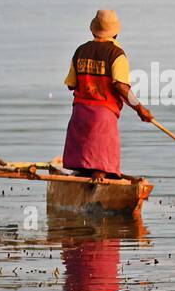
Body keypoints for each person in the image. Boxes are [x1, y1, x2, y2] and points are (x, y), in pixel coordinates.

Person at [62, 9, 153, 179]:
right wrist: (140, 109)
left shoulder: (80, 51)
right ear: (116, 33)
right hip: (102, 118)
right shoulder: (117, 55)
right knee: (100, 170)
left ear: (92, 30)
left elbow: (71, 85)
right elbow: (121, 86)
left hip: (80, 115)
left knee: (82, 169)